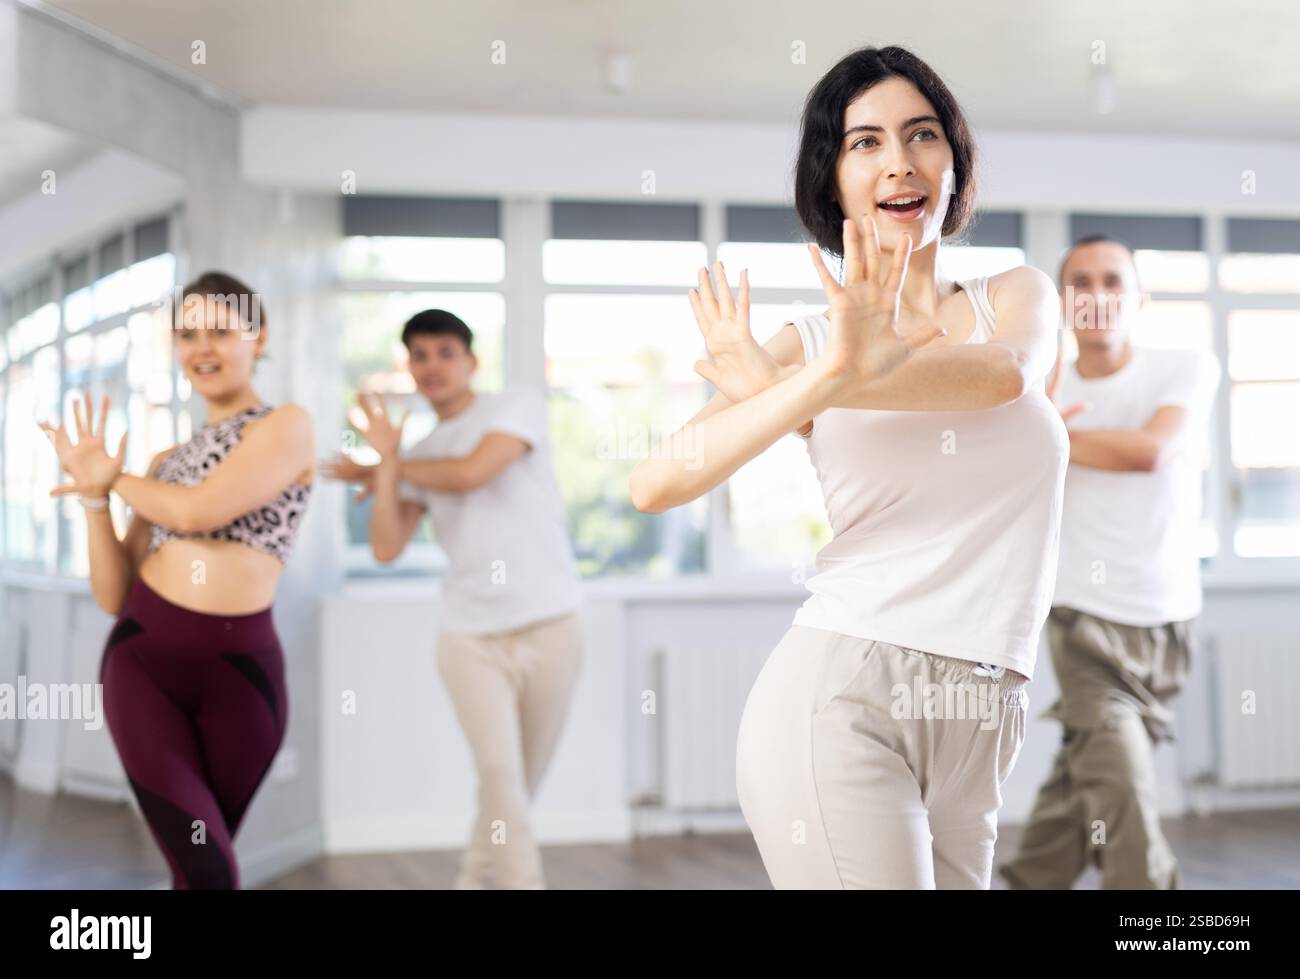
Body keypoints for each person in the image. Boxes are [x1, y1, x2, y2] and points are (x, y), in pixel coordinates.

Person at [630, 44, 1068, 889]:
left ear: (955, 160)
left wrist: (805, 389)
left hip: (985, 705)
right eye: (864, 142)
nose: (899, 162)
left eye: (922, 134)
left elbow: (997, 378)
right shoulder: (810, 346)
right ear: (831, 180)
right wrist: (821, 375)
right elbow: (656, 480)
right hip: (848, 687)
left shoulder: (1013, 297)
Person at [39, 271, 315, 889]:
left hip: (243, 682)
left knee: (196, 868)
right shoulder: (163, 464)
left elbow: (198, 513)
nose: (201, 347)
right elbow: (114, 594)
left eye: (220, 330)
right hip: (144, 667)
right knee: (208, 869)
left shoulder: (286, 426)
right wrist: (92, 500)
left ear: (259, 336)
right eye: (187, 333)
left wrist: (110, 479)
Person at [322, 309, 583, 890]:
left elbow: (472, 472)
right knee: (499, 776)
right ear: (409, 368)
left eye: (444, 352)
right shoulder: (416, 452)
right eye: (419, 355)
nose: (432, 365)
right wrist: (388, 469)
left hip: (550, 625)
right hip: (468, 637)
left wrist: (385, 465)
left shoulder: (515, 406)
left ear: (471, 361)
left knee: (512, 790)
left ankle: (470, 880)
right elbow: (387, 545)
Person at [1000, 235, 1221, 890]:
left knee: (1084, 783)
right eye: (1081, 283)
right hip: (1084, 622)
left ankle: (1026, 883)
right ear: (1063, 303)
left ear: (1138, 298)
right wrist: (1031, 422)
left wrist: (1046, 431)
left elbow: (1150, 450)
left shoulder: (1184, 366)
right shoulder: (1035, 386)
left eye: (1112, 281)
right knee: (1123, 793)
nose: (1097, 296)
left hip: (1167, 619)